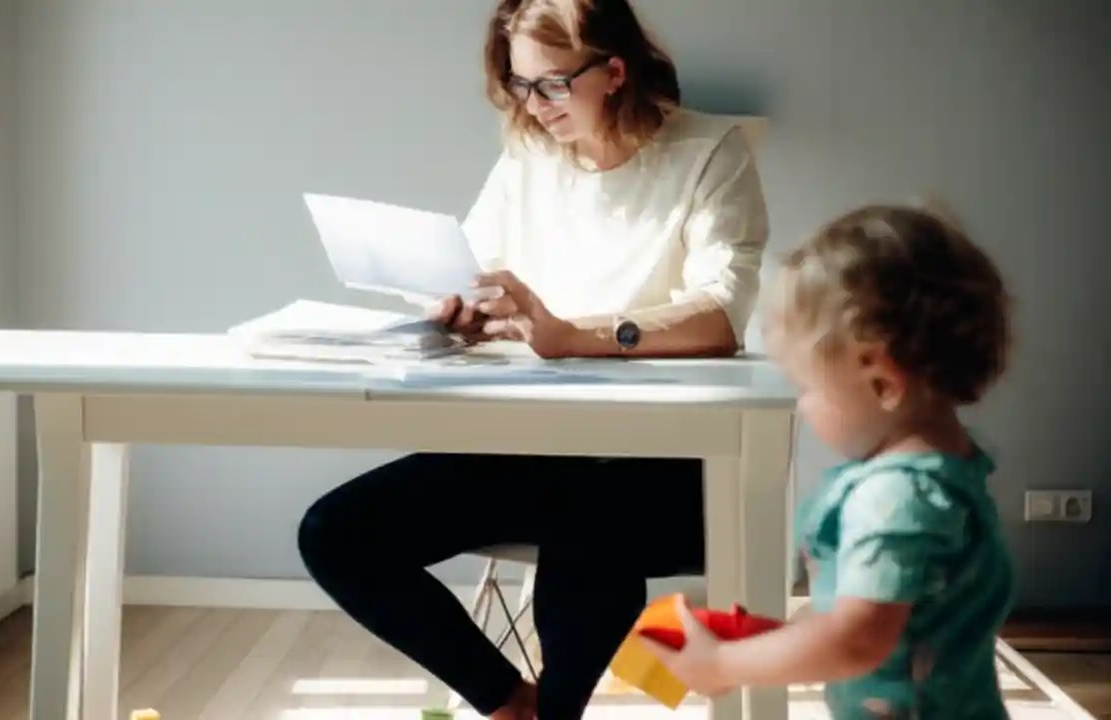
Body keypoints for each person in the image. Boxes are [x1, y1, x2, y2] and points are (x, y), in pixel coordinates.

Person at [297, 0, 770, 717]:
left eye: (552, 83)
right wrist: (456, 308)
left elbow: (720, 314)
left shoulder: (710, 150)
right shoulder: (528, 160)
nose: (534, 105)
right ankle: (511, 704)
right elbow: (478, 272)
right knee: (335, 534)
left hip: (669, 464)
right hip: (536, 444)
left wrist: (574, 334)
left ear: (613, 71)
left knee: (588, 527)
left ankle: (554, 712)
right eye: (520, 85)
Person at [641, 204, 1017, 719]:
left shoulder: (896, 498)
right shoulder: (949, 473)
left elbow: (858, 639)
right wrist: (767, 641)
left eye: (807, 387)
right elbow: (892, 620)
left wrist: (725, 664)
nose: (801, 405)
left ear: (883, 380)